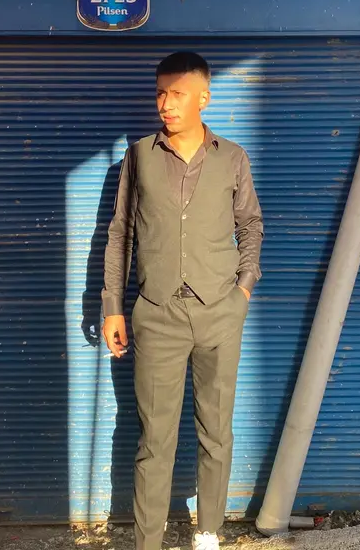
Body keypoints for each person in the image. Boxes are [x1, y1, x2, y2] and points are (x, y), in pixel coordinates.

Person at [102, 51, 263, 550]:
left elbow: (251, 225)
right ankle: (147, 542)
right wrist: (112, 306)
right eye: (160, 93)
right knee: (155, 439)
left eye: (177, 94)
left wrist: (242, 290)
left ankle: (208, 532)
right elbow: (120, 233)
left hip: (220, 312)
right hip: (158, 314)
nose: (165, 104)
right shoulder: (139, 156)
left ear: (203, 98)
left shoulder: (232, 157)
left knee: (216, 432)